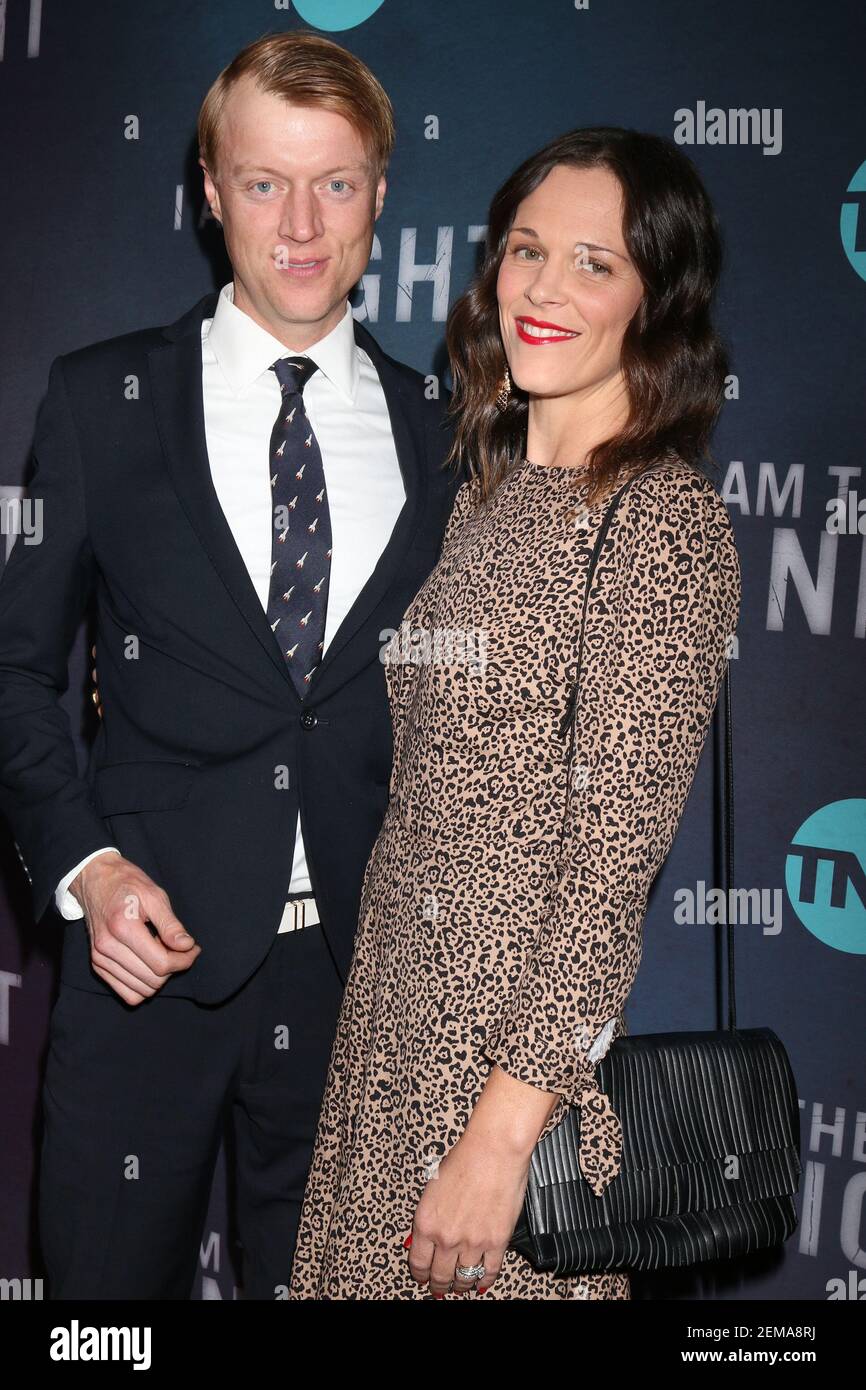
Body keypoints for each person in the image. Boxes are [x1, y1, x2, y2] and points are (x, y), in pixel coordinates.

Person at [0, 31, 462, 1300]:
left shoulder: (448, 433)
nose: (301, 225)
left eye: (335, 183)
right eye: (264, 183)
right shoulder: (102, 401)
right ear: (209, 191)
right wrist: (87, 872)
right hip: (141, 969)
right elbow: (15, 671)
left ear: (381, 189)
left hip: (363, 1001)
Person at [289, 126, 743, 1300]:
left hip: (500, 1077)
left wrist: (498, 1143)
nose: (544, 287)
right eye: (526, 250)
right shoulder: (481, 500)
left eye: (594, 262)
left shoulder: (658, 525)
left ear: (658, 298)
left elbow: (609, 872)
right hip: (386, 1030)